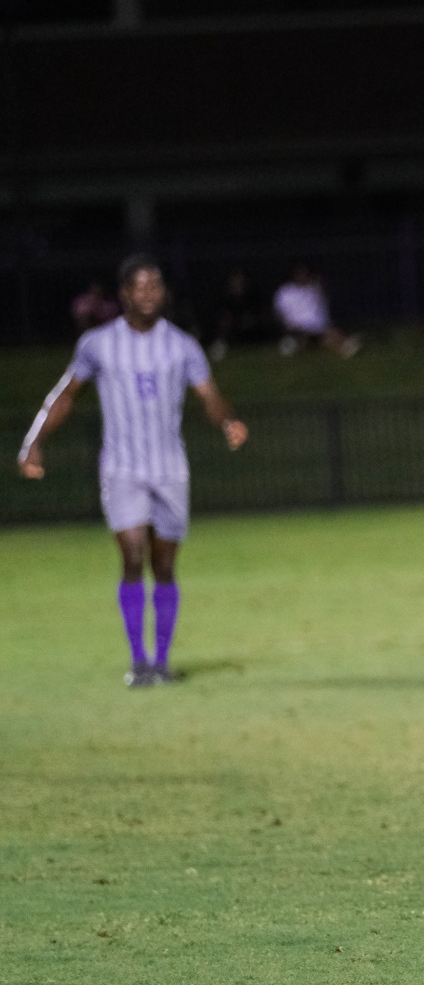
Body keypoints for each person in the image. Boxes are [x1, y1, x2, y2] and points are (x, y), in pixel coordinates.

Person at [18, 254, 249, 687]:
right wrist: (34, 443)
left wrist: (227, 422)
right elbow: (64, 396)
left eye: (155, 286)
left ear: (163, 293)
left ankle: (162, 661)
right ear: (124, 293)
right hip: (123, 469)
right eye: (139, 286)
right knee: (132, 556)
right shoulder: (98, 343)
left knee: (164, 566)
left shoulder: (182, 345)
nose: (147, 293)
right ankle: (138, 661)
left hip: (170, 470)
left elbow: (209, 394)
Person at [274, 264, 361, 358]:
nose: (302, 277)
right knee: (323, 336)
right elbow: (280, 313)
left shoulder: (314, 289)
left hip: (316, 326)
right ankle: (345, 345)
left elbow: (324, 292)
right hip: (297, 327)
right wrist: (289, 326)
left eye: (304, 274)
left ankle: (345, 346)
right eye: (299, 274)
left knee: (325, 335)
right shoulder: (285, 292)